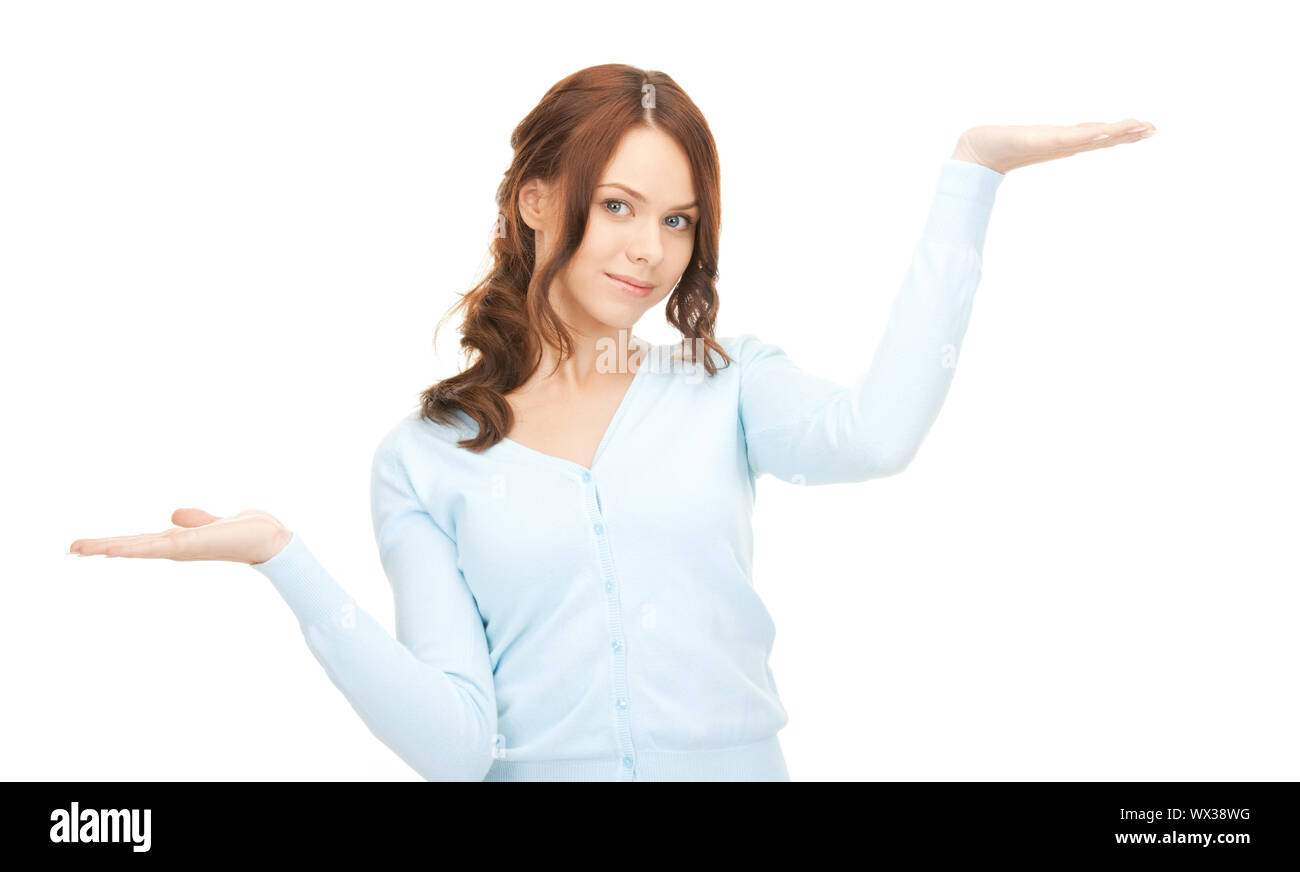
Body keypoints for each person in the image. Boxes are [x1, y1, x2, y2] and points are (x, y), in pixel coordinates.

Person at [67, 64, 1155, 781]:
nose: (649, 249)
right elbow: (455, 746)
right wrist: (282, 559)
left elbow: (876, 437)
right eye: (619, 205)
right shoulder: (426, 459)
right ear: (537, 199)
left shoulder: (723, 385)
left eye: (677, 219)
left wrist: (971, 174)